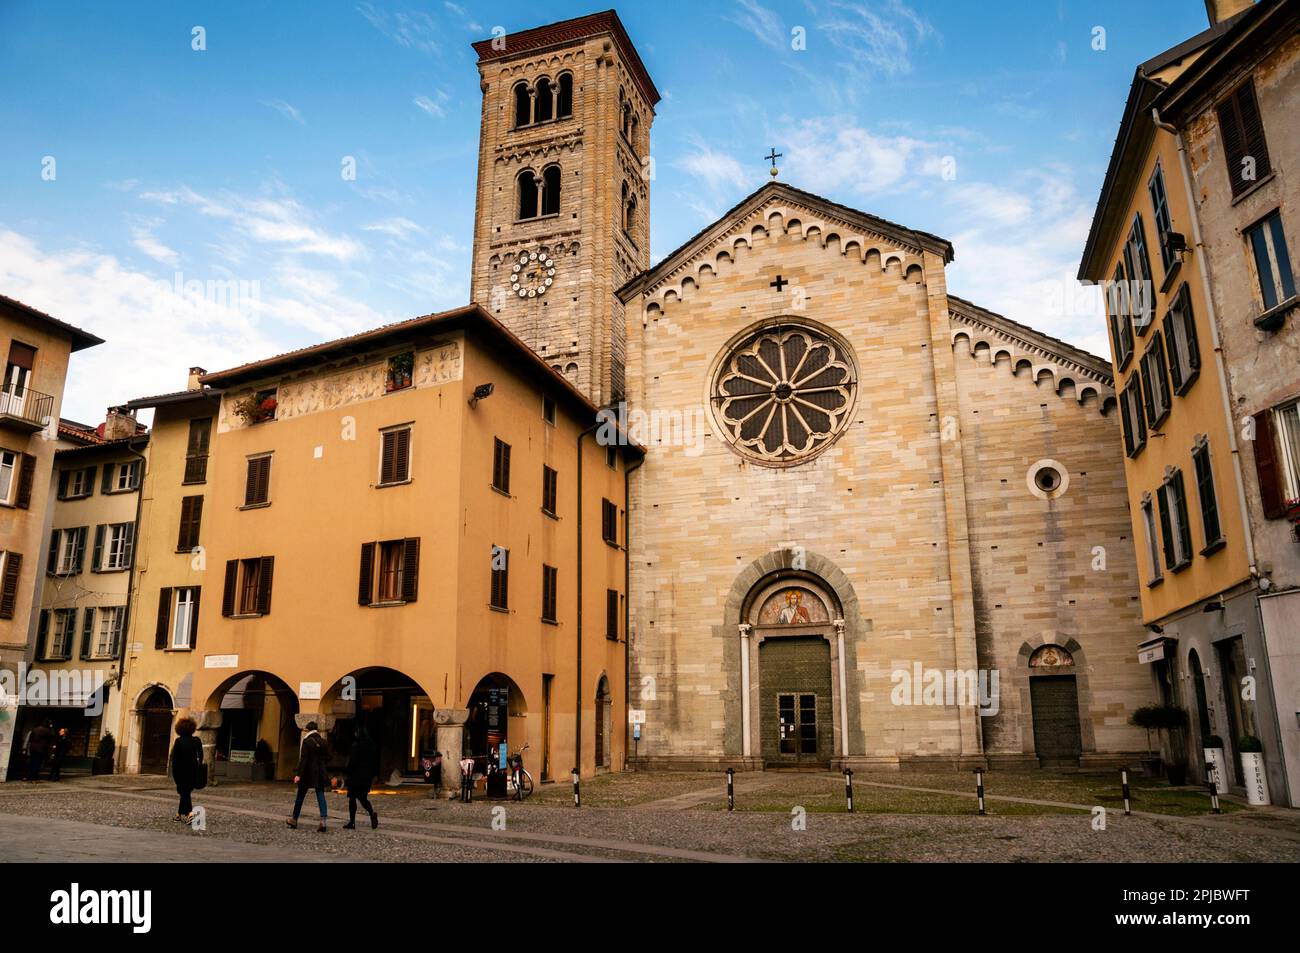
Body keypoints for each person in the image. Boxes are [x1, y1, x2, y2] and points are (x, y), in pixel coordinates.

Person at [287, 721, 330, 832]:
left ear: (307, 730)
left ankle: (294, 819)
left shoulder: (307, 742)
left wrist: (298, 775)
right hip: (320, 772)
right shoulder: (324, 742)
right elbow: (329, 757)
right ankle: (323, 820)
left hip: (307, 773)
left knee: (300, 796)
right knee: (320, 794)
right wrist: (322, 764)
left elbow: (304, 759)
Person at [342, 726, 379, 830]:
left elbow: (352, 762)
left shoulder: (356, 746)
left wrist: (347, 772)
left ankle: (352, 822)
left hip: (355, 777)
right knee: (363, 798)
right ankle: (372, 814)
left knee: (352, 799)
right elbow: (374, 763)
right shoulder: (371, 746)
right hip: (366, 778)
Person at [170, 716, 204, 822]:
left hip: (180, 771)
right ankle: (179, 814)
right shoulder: (197, 740)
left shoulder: (178, 741)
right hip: (192, 771)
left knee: (184, 793)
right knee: (186, 792)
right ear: (192, 728)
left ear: (179, 729)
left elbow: (174, 759)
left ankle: (190, 814)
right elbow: (201, 756)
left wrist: (174, 773)